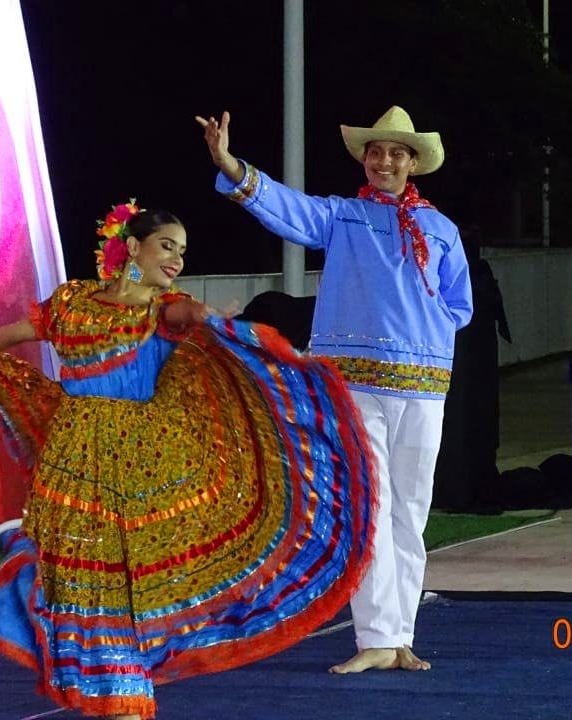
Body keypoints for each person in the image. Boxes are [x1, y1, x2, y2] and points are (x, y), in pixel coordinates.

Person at [0, 201, 377, 719]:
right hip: (72, 462)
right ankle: (104, 682)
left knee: (128, 576)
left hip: (141, 466)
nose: (176, 259)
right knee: (79, 571)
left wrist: (213, 319)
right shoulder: (73, 303)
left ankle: (125, 689)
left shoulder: (161, 310)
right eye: (167, 246)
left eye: (183, 252)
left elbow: (185, 314)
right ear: (132, 247)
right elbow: (23, 332)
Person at [197, 106, 474, 673]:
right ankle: (375, 636)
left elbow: (460, 305)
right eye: (376, 151)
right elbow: (287, 208)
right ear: (366, 160)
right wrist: (229, 163)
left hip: (424, 386)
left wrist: (422, 326)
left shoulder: (442, 229)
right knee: (370, 508)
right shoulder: (343, 217)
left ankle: (401, 636)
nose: (384, 160)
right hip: (354, 384)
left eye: (396, 152)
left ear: (413, 162)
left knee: (411, 511)